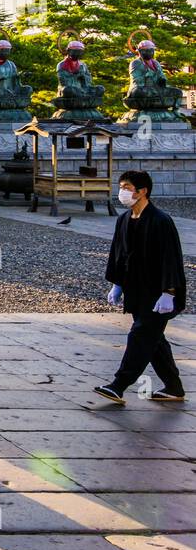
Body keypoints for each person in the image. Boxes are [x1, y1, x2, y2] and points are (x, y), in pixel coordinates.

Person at [94, 170, 187, 404]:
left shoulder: (161, 221)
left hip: (158, 293)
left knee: (140, 335)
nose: (122, 191)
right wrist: (117, 284)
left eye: (127, 187)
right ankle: (174, 387)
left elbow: (170, 258)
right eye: (121, 186)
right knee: (153, 340)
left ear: (142, 191)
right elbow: (119, 253)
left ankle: (119, 384)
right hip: (136, 290)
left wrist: (169, 292)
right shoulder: (124, 219)